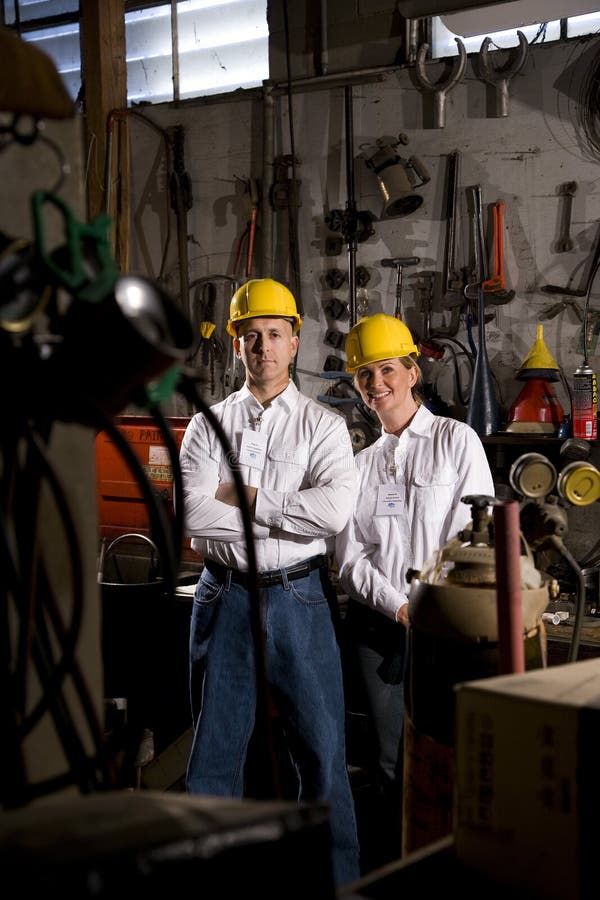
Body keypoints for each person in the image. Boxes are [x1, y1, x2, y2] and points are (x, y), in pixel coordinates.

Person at [179, 277, 361, 889]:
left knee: (322, 755)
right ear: (236, 345)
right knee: (213, 759)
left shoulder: (324, 427)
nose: (263, 347)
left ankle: (338, 888)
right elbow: (194, 516)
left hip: (299, 596)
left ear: (294, 342)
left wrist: (247, 496)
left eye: (274, 335)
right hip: (223, 592)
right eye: (250, 336)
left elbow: (333, 513)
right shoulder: (207, 425)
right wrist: (288, 507)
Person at [335, 313, 495, 866]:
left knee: (445, 754)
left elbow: (473, 538)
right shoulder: (358, 465)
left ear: (411, 371)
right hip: (379, 629)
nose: (376, 384)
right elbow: (349, 559)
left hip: (445, 629)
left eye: (385, 370)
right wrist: (399, 605)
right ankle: (393, 866)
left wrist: (427, 605)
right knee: (386, 761)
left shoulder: (457, 441)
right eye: (363, 376)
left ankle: (451, 867)